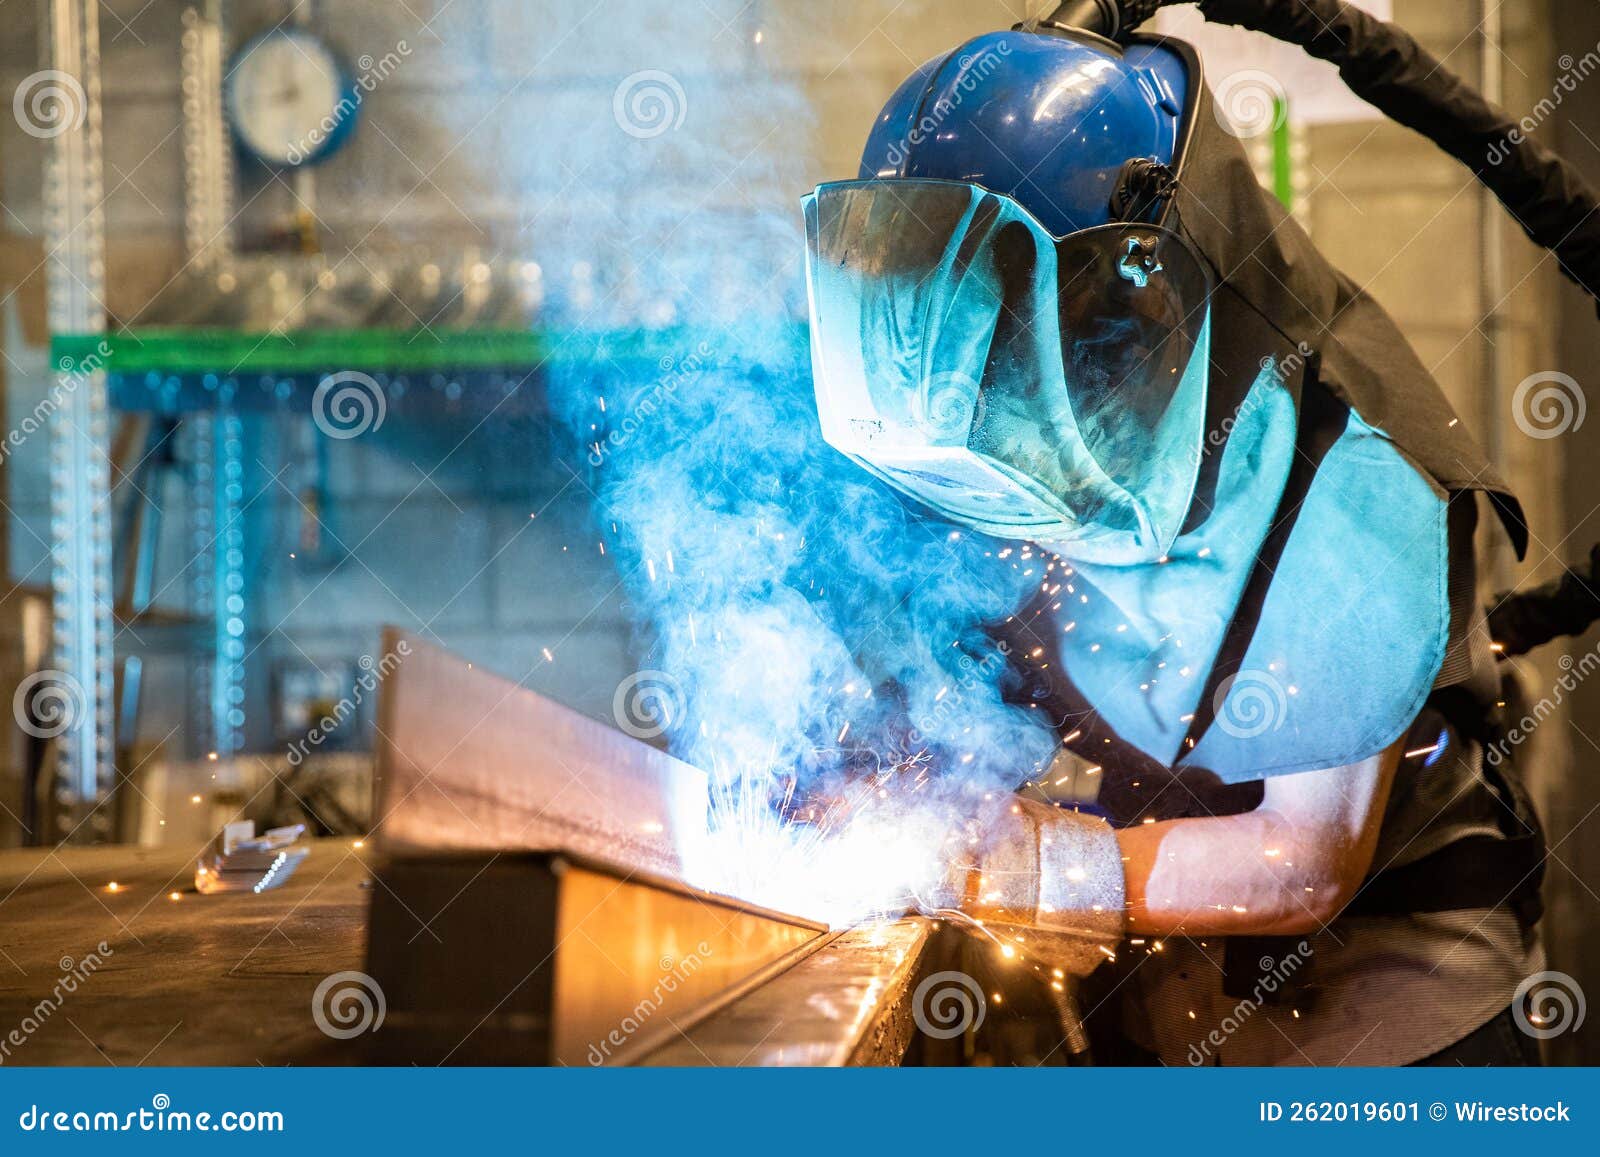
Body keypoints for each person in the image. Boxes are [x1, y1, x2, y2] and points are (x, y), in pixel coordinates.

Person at [799, 3, 1580, 1064]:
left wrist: (991, 866)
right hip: (1160, 992)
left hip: (1385, 1023)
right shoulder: (981, 390)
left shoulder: (1363, 482)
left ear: (1137, 293)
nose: (981, 387)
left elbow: (1301, 863)